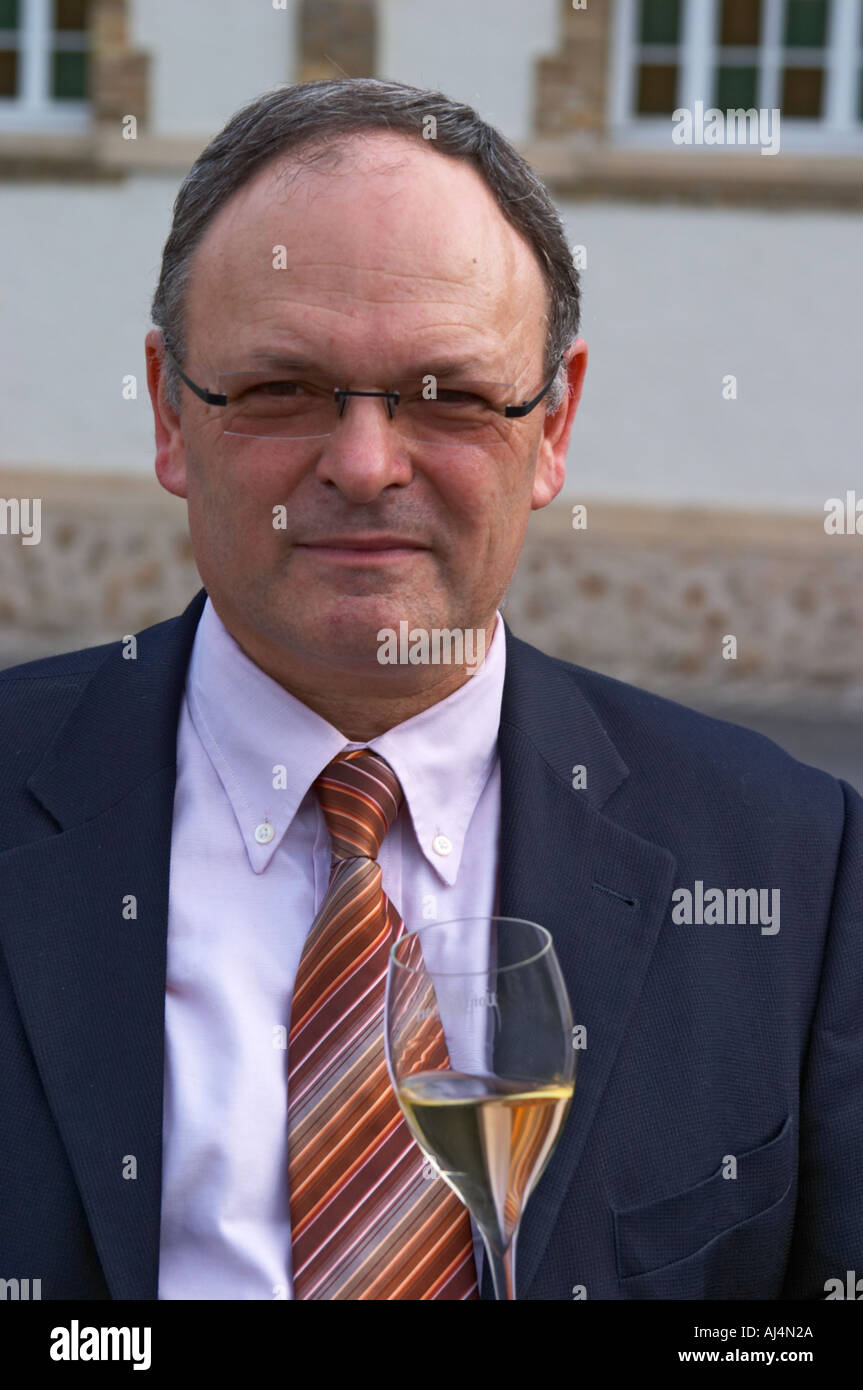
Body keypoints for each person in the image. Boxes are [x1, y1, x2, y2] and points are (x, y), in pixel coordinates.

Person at [0, 78, 859, 1301]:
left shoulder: (792, 869)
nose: (361, 462)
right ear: (168, 413)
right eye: (280, 389)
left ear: (551, 424)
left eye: (447, 395)